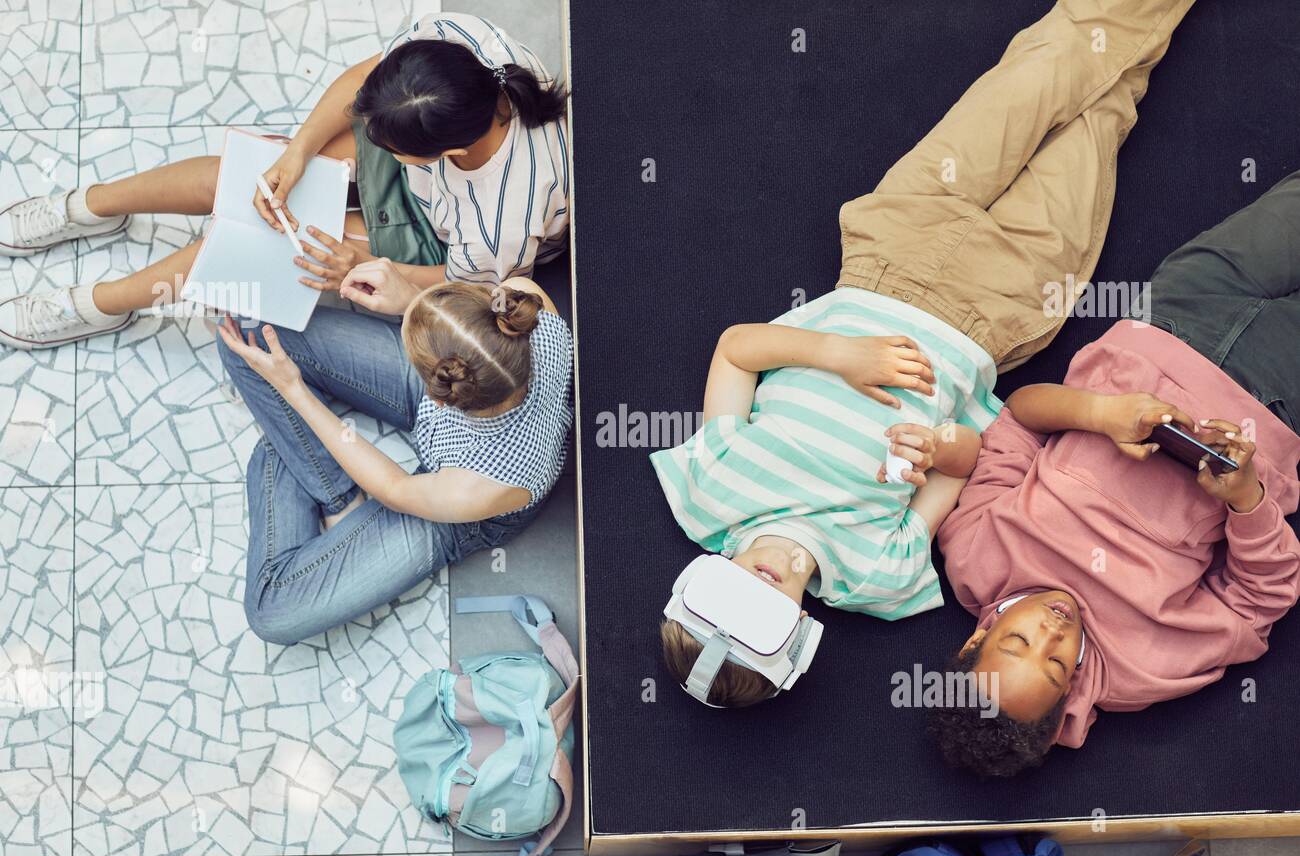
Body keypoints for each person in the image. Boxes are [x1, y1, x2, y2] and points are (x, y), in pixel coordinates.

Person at [651, 0, 1195, 707]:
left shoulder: (711, 498)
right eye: (763, 609)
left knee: (1044, 70)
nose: (760, 578)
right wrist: (940, 446)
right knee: (1104, 115)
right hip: (998, 309)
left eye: (731, 590)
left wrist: (840, 356)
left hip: (891, 252)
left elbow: (737, 352)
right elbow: (980, 456)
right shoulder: (877, 574)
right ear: (797, 631)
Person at [931, 169, 1300, 777]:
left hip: (1171, 324)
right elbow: (1262, 599)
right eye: (1055, 665)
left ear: (975, 641)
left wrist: (1101, 413)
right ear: (1071, 693)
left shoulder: (973, 555)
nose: (1053, 631)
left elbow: (1019, 418)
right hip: (1277, 401)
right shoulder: (1146, 670)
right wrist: (1245, 499)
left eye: (1018, 641)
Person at [0, 12, 568, 349]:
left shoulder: (502, 225)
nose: (368, 145)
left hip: (441, 240)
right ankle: (89, 206)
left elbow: (457, 283)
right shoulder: (455, 40)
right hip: (434, 177)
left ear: (447, 154)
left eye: (384, 145)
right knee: (254, 177)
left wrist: (369, 270)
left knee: (264, 245)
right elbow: (367, 81)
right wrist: (297, 155)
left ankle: (102, 304)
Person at [215, 259, 572, 644]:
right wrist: (412, 300)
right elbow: (471, 331)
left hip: (458, 514)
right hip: (472, 387)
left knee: (272, 612)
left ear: (439, 398)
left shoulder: (479, 487)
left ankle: (307, 463)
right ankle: (327, 482)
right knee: (243, 331)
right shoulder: (525, 308)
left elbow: (394, 490)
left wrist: (293, 391)